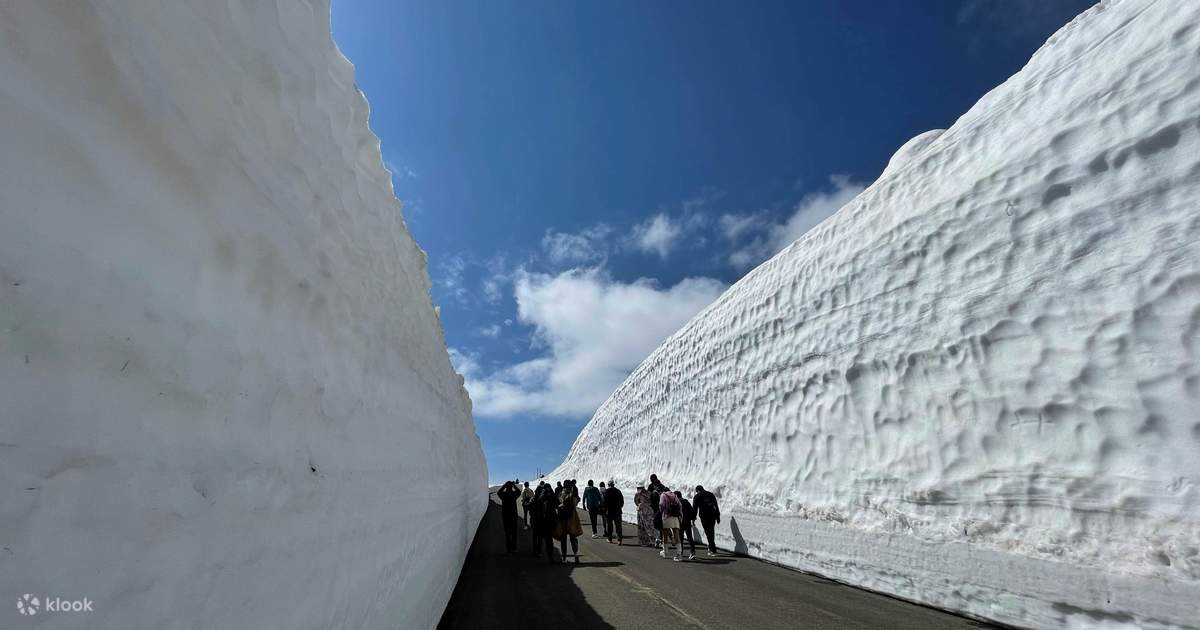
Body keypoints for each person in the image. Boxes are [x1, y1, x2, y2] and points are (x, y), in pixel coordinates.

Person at [555, 480, 583, 564]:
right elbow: (576, 503)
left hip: (562, 519)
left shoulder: (560, 495)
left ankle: (563, 558)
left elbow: (557, 506)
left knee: (563, 539)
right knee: (573, 538)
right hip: (572, 519)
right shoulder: (572, 495)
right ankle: (576, 555)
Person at [693, 485, 721, 556]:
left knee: (708, 532)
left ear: (697, 490)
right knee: (711, 531)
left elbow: (695, 508)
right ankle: (711, 547)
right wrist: (718, 516)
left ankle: (712, 549)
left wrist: (693, 518)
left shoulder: (697, 496)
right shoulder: (710, 494)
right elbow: (716, 505)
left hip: (704, 516)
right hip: (712, 515)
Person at [535, 484, 559, 562]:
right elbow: (557, 503)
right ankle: (550, 556)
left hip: (544, 520)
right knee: (549, 539)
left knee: (544, 538)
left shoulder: (543, 496)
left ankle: (542, 553)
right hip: (552, 520)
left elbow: (538, 503)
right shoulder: (552, 495)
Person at [659, 486, 683, 561]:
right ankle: (679, 554)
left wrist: (662, 512)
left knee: (665, 535)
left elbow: (661, 505)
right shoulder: (674, 495)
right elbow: (680, 505)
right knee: (676, 535)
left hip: (666, 517)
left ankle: (665, 552)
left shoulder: (663, 495)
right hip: (675, 517)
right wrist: (680, 516)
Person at [497, 481, 522, 554]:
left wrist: (504, 485)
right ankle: (514, 548)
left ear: (506, 487)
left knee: (507, 533)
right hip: (513, 516)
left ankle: (508, 550)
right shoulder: (514, 494)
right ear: (511, 487)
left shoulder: (503, 495)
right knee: (514, 533)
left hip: (506, 516)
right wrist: (514, 485)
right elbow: (519, 491)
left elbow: (499, 492)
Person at [675, 490, 696, 560]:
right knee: (690, 537)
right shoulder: (686, 502)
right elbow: (692, 511)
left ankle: (680, 553)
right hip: (687, 522)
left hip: (680, 523)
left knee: (680, 539)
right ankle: (692, 552)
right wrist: (692, 518)